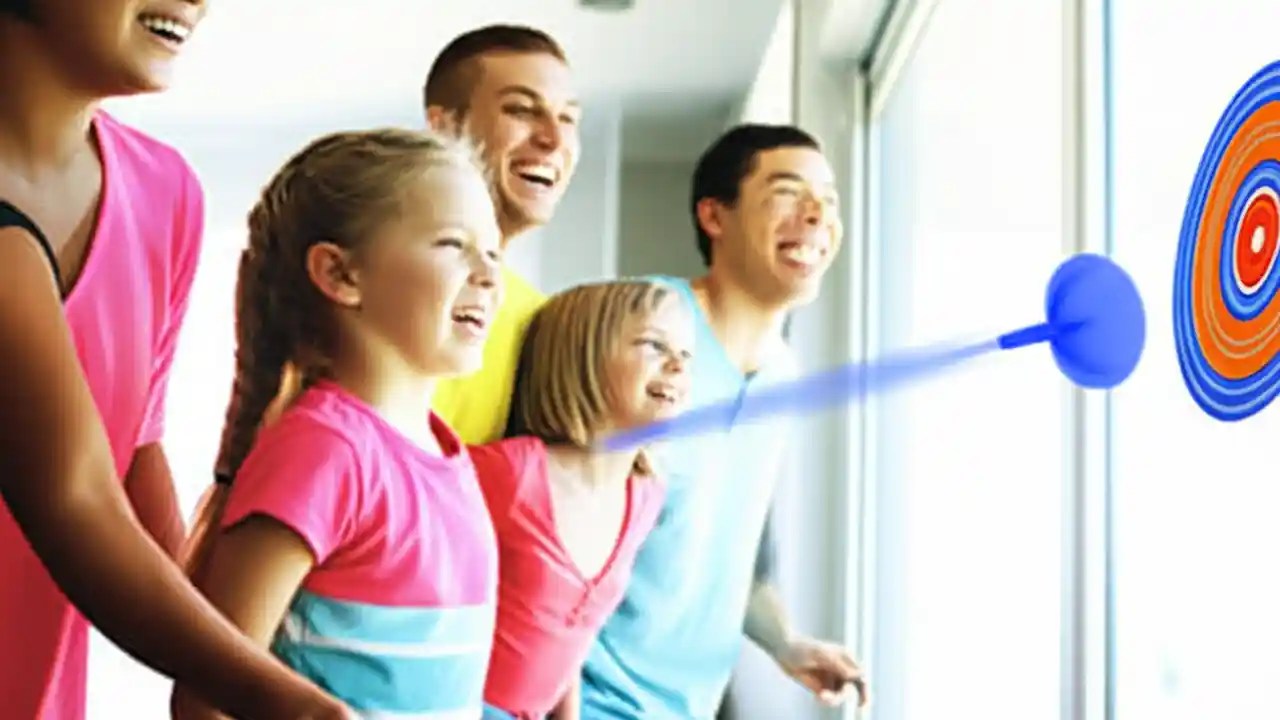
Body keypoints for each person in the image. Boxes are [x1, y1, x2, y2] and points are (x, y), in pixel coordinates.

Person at [0, 1, 351, 717]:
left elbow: (131, 456)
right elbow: (76, 499)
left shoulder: (166, 193)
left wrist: (225, 651)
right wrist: (289, 703)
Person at [172, 127, 504, 719]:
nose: (488, 274)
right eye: (454, 243)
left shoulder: (443, 453)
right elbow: (206, 701)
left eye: (494, 251)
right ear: (340, 274)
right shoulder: (324, 451)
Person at [581, 124, 870, 718]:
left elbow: (732, 558)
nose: (817, 215)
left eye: (830, 198)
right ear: (714, 216)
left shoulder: (782, 375)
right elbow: (542, 517)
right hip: (579, 699)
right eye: (788, 192)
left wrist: (787, 643)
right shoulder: (640, 324)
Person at [469, 280, 694, 720]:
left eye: (686, 356)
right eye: (654, 345)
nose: (677, 367)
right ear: (583, 358)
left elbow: (572, 637)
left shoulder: (644, 496)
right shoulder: (509, 475)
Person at [423, 23, 580, 444]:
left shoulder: (539, 319)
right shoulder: (382, 272)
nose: (554, 138)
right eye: (522, 110)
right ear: (446, 127)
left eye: (568, 117)